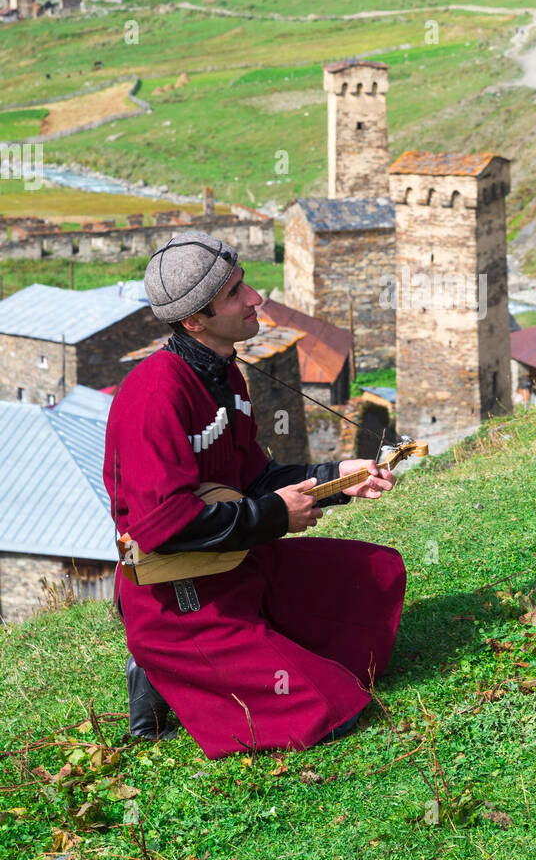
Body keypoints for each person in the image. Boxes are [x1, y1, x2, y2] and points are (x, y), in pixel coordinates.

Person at [103, 230, 407, 757]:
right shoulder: (155, 395)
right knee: (328, 708)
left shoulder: (225, 374)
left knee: (377, 577)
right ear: (194, 320)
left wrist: (341, 476)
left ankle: (245, 653)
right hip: (175, 596)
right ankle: (158, 666)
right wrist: (273, 517)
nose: (255, 299)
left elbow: (252, 478)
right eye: (235, 294)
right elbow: (162, 526)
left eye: (244, 284)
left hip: (232, 563)